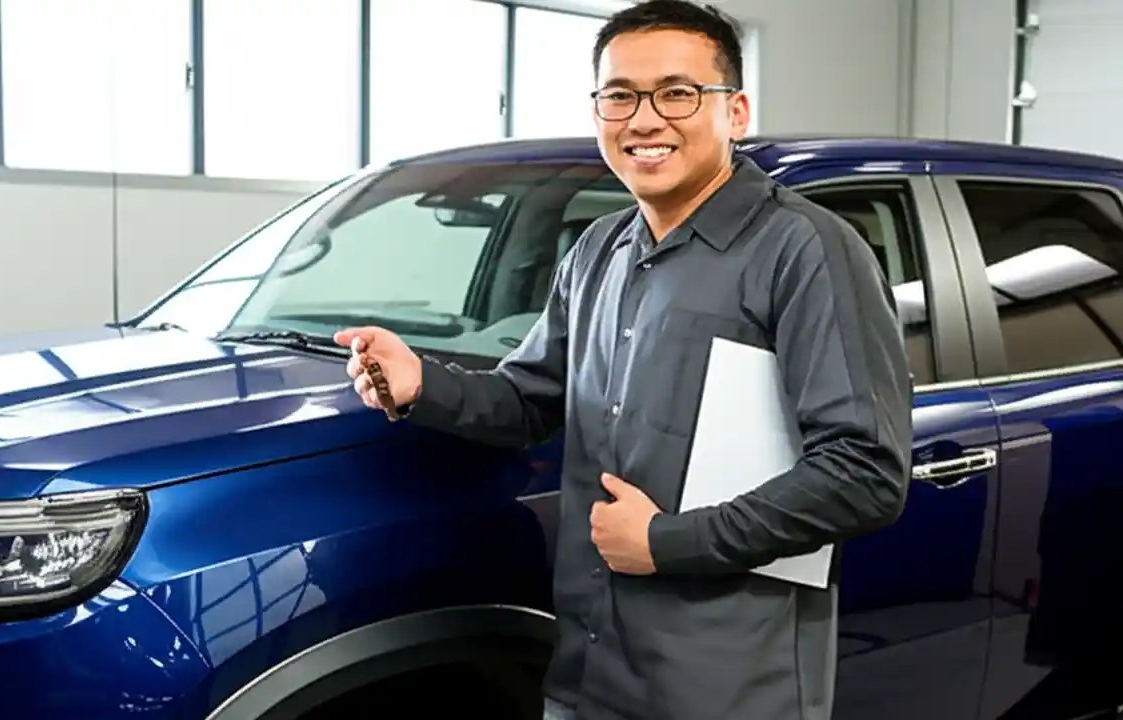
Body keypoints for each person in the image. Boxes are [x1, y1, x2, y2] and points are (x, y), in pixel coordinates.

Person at [334, 1, 913, 718]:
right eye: (619, 96)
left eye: (676, 93)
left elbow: (864, 472)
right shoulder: (599, 251)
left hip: (725, 684)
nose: (643, 120)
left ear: (735, 112)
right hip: (589, 668)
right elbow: (532, 398)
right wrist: (426, 384)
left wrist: (666, 542)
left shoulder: (806, 251)